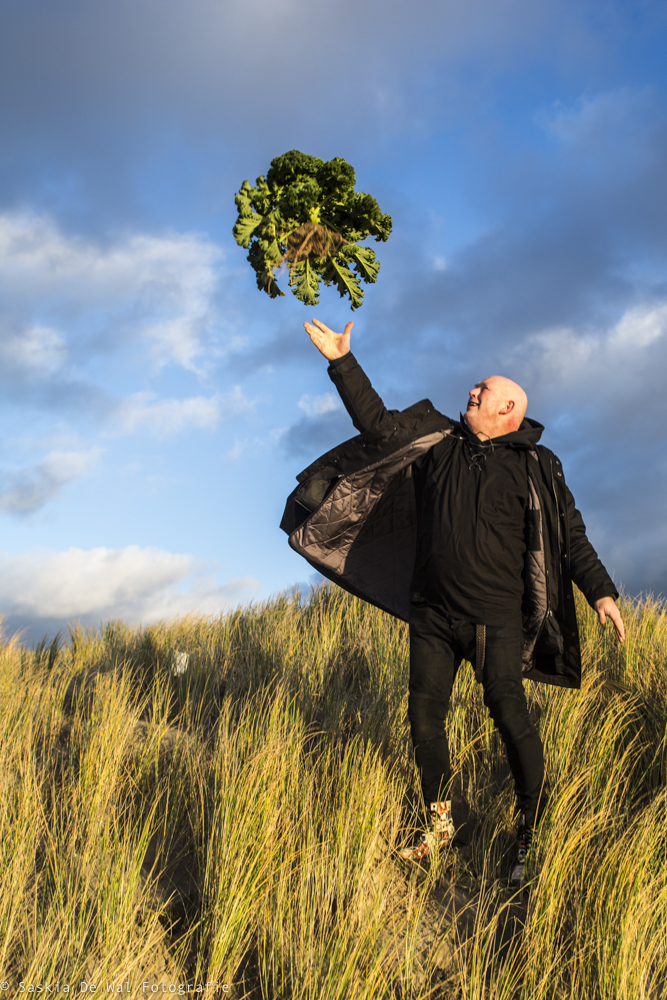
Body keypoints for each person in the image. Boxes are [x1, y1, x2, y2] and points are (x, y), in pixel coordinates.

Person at [298, 317, 625, 885]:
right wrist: (342, 361)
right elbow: (377, 426)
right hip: (432, 613)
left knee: (509, 716)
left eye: (483, 391)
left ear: (508, 412)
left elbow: (570, 536)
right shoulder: (438, 447)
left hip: (496, 621)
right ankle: (439, 822)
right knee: (424, 716)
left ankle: (530, 825)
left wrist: (600, 592)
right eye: (475, 388)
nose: (471, 392)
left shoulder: (536, 467)